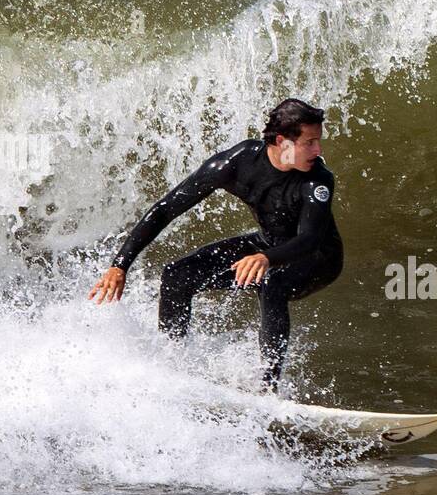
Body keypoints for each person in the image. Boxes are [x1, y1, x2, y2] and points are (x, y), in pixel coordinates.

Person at [88, 98, 343, 392]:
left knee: (272, 283)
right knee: (177, 276)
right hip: (268, 247)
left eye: (317, 142)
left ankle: (268, 391)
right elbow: (166, 208)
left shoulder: (317, 180)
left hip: (318, 258)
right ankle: (172, 366)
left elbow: (310, 239)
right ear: (283, 142)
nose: (318, 151)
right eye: (309, 142)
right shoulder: (237, 163)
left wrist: (266, 258)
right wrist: (120, 265)